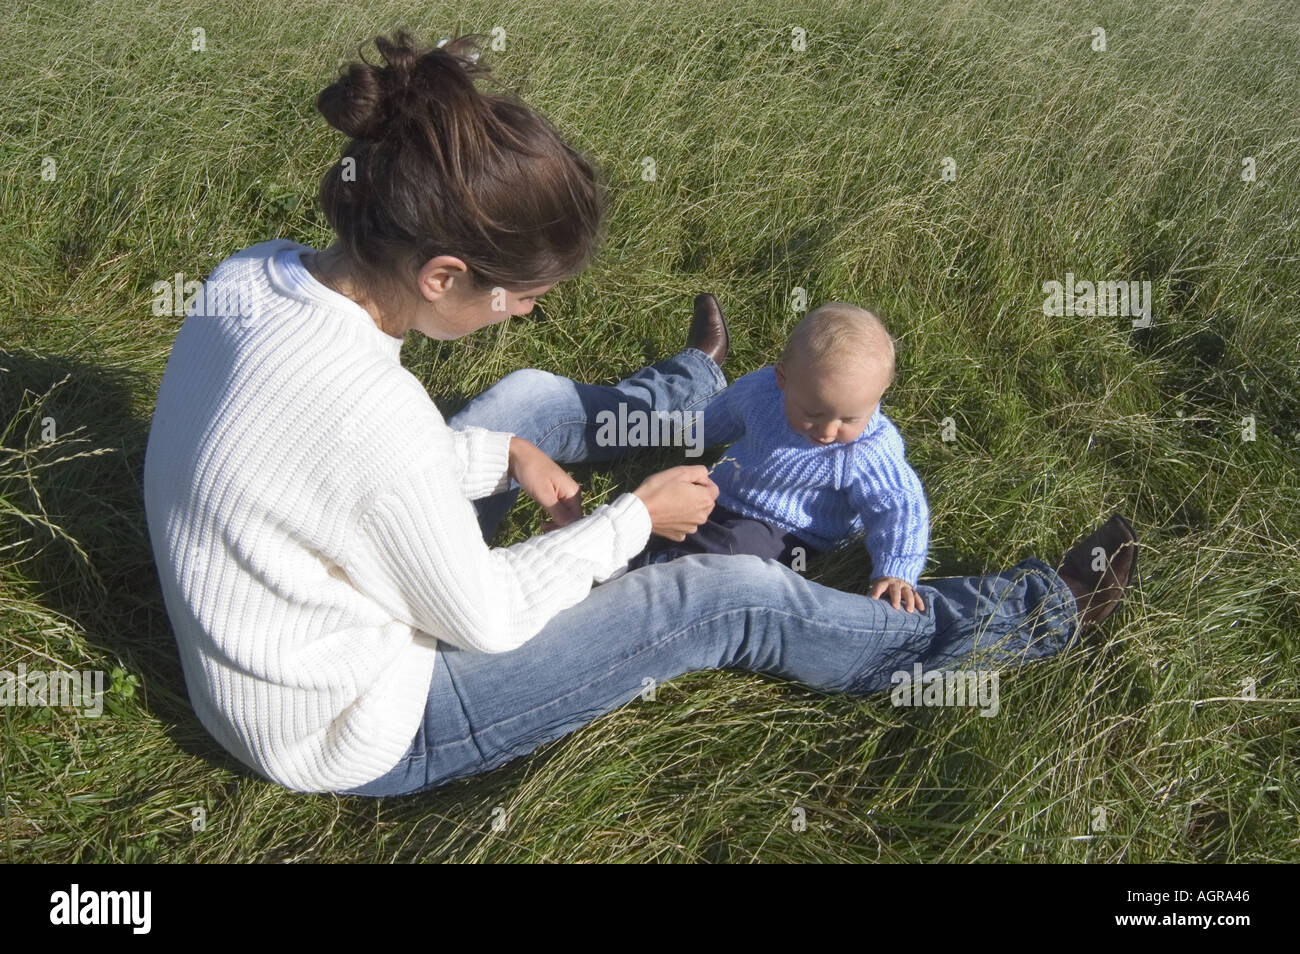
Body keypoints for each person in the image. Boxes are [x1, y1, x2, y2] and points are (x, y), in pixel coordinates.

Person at [141, 31, 1137, 798]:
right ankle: (1038, 614)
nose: (527, 310)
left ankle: (692, 381)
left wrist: (505, 457)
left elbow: (330, 459)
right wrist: (630, 524)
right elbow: (482, 619)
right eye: (519, 294)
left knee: (525, 405)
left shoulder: (251, 277)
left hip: (275, 648)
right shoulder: (377, 416)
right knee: (718, 595)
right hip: (352, 725)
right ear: (443, 274)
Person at [630, 302, 931, 615]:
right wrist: (689, 434)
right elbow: (725, 413)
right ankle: (627, 551)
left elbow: (899, 505)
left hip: (792, 533)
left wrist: (895, 569)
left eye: (850, 419)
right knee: (663, 511)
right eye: (813, 413)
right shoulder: (761, 392)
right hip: (726, 490)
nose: (828, 430)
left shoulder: (870, 449)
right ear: (782, 379)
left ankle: (663, 578)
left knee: (733, 551)